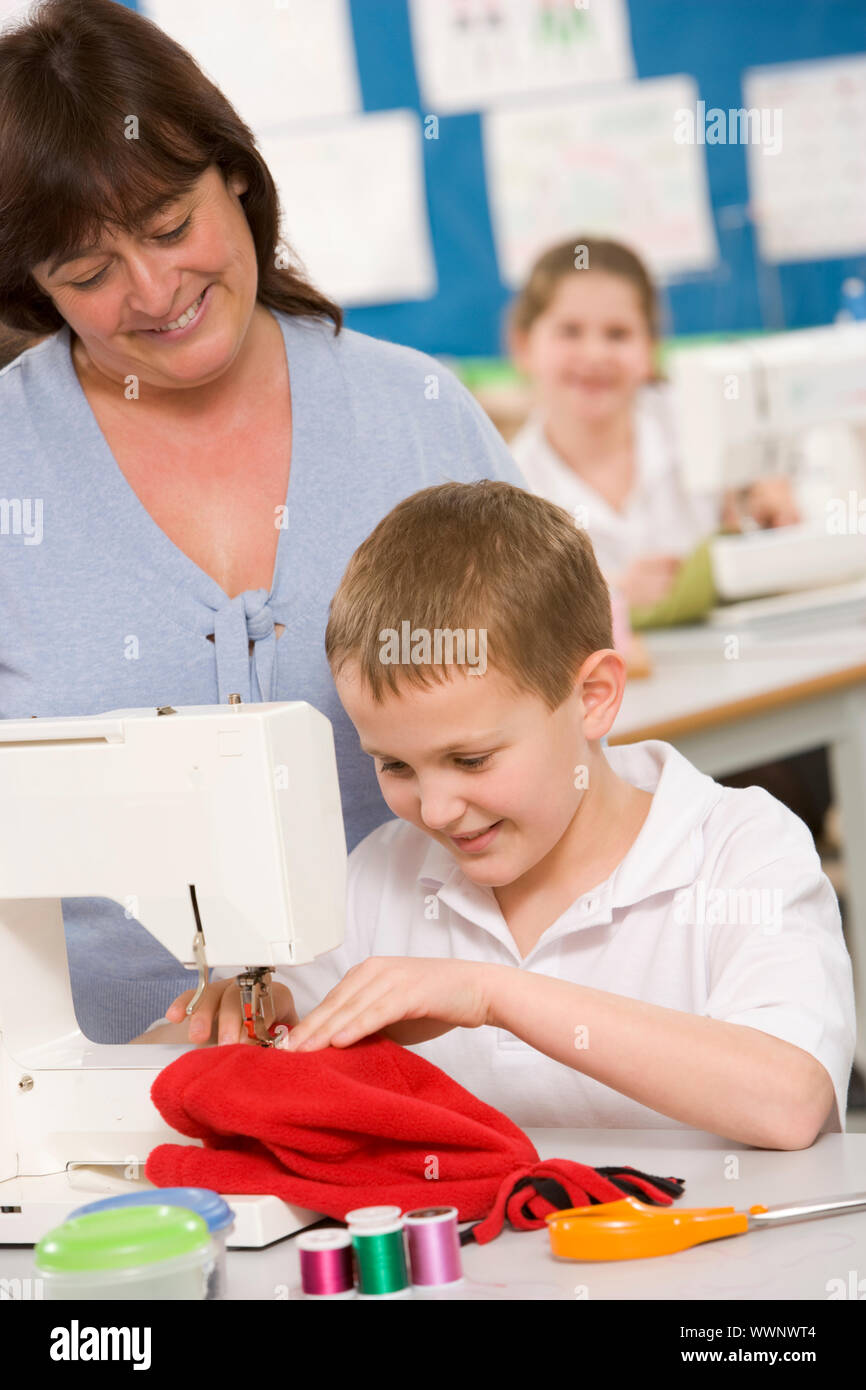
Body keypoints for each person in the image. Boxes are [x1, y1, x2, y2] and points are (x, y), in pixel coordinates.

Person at [0, 0, 524, 1043]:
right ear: (33, 289)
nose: (155, 292)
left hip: (456, 1069)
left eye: (168, 226)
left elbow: (564, 754)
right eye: (89, 275)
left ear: (233, 173)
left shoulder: (417, 419)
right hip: (104, 1118)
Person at [161, 482, 855, 1146]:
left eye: (470, 760)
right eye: (395, 765)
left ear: (593, 697)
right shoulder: (380, 880)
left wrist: (495, 995)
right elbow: (267, 1055)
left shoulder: (739, 851)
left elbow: (790, 1099)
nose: (433, 810)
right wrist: (246, 1024)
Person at [506, 236, 833, 842]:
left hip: (737, 689)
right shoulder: (515, 480)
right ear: (524, 345)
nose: (595, 353)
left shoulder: (693, 423)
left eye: (619, 334)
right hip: (620, 727)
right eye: (571, 331)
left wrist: (769, 503)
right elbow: (523, 621)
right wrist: (614, 595)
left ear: (650, 347)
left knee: (791, 775)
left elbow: (783, 509)